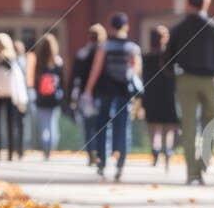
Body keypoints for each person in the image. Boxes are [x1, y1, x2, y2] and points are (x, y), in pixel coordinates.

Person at [165, 0, 214, 185]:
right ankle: (203, 164)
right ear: (206, 3)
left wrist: (174, 74)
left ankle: (192, 173)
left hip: (185, 79)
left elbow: (167, 58)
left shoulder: (178, 28)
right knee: (212, 124)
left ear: (188, 4)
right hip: (210, 80)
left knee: (189, 127)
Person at [84, 12, 142, 180]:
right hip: (124, 91)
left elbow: (96, 69)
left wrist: (89, 89)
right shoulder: (132, 48)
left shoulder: (105, 46)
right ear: (126, 26)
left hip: (105, 90)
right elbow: (136, 70)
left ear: (111, 27)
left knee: (102, 125)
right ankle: (120, 162)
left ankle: (102, 161)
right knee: (123, 126)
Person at [0, 33, 27, 161]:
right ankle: (8, 153)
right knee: (9, 125)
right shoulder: (11, 61)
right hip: (8, 95)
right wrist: (21, 99)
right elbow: (18, 81)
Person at [69, 24, 107, 169]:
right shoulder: (104, 53)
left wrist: (71, 96)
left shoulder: (82, 53)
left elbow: (74, 76)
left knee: (88, 126)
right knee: (100, 125)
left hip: (85, 95)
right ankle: (99, 153)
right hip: (101, 94)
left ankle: (91, 153)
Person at [142, 25, 179, 170]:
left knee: (154, 126)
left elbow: (144, 78)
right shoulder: (171, 57)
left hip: (151, 94)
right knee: (169, 127)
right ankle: (168, 152)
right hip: (169, 94)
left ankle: (155, 151)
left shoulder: (146, 57)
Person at [31, 34, 65, 160]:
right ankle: (50, 148)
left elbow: (35, 81)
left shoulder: (38, 62)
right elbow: (62, 82)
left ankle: (45, 148)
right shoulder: (58, 62)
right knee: (53, 124)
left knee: (44, 126)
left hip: (41, 99)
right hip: (54, 99)